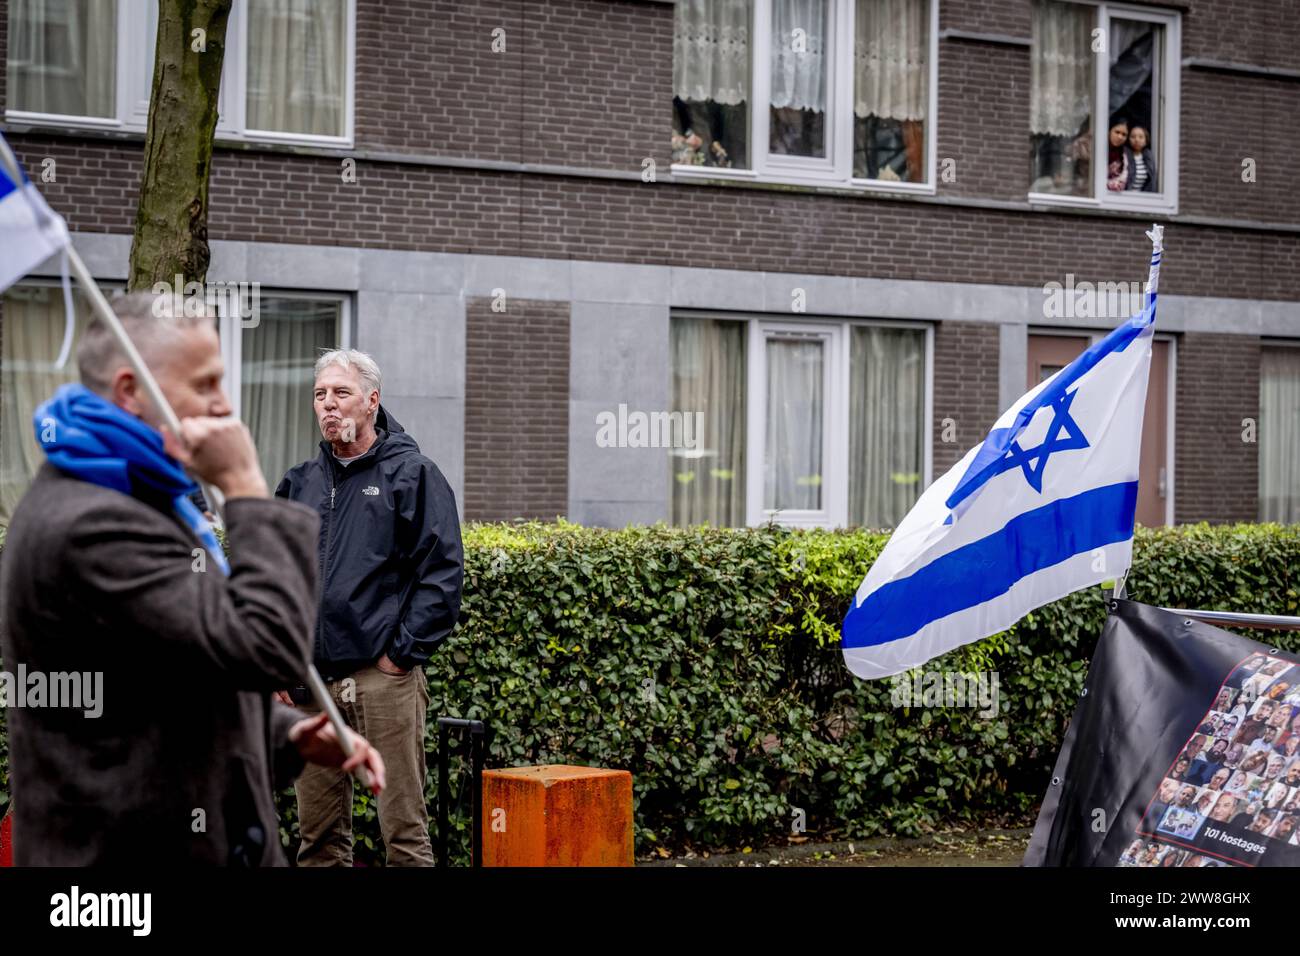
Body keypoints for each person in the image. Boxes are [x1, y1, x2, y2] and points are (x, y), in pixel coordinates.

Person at [0, 293, 385, 866]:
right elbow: (268, 648)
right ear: (131, 391)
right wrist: (246, 484)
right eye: (204, 384)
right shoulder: (91, 523)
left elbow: (175, 670)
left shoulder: (139, 490)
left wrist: (284, 733)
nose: (223, 406)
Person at [276, 349, 463, 867]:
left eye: (342, 393)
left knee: (402, 834)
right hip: (310, 688)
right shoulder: (300, 483)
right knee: (318, 841)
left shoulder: (413, 475)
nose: (329, 405)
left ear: (372, 401)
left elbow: (442, 576)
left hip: (384, 681)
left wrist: (400, 656)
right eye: (320, 395)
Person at [1123, 125, 1158, 192]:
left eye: (1141, 137)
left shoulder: (1149, 157)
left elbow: (1152, 181)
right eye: (1133, 137)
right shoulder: (1124, 154)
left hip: (1142, 198)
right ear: (1128, 139)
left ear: (1146, 140)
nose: (1137, 140)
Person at [1106, 119, 1130, 191]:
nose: (1120, 137)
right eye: (1117, 132)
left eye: (1124, 134)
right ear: (1109, 130)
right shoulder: (1094, 149)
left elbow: (1121, 183)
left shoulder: (1125, 156)